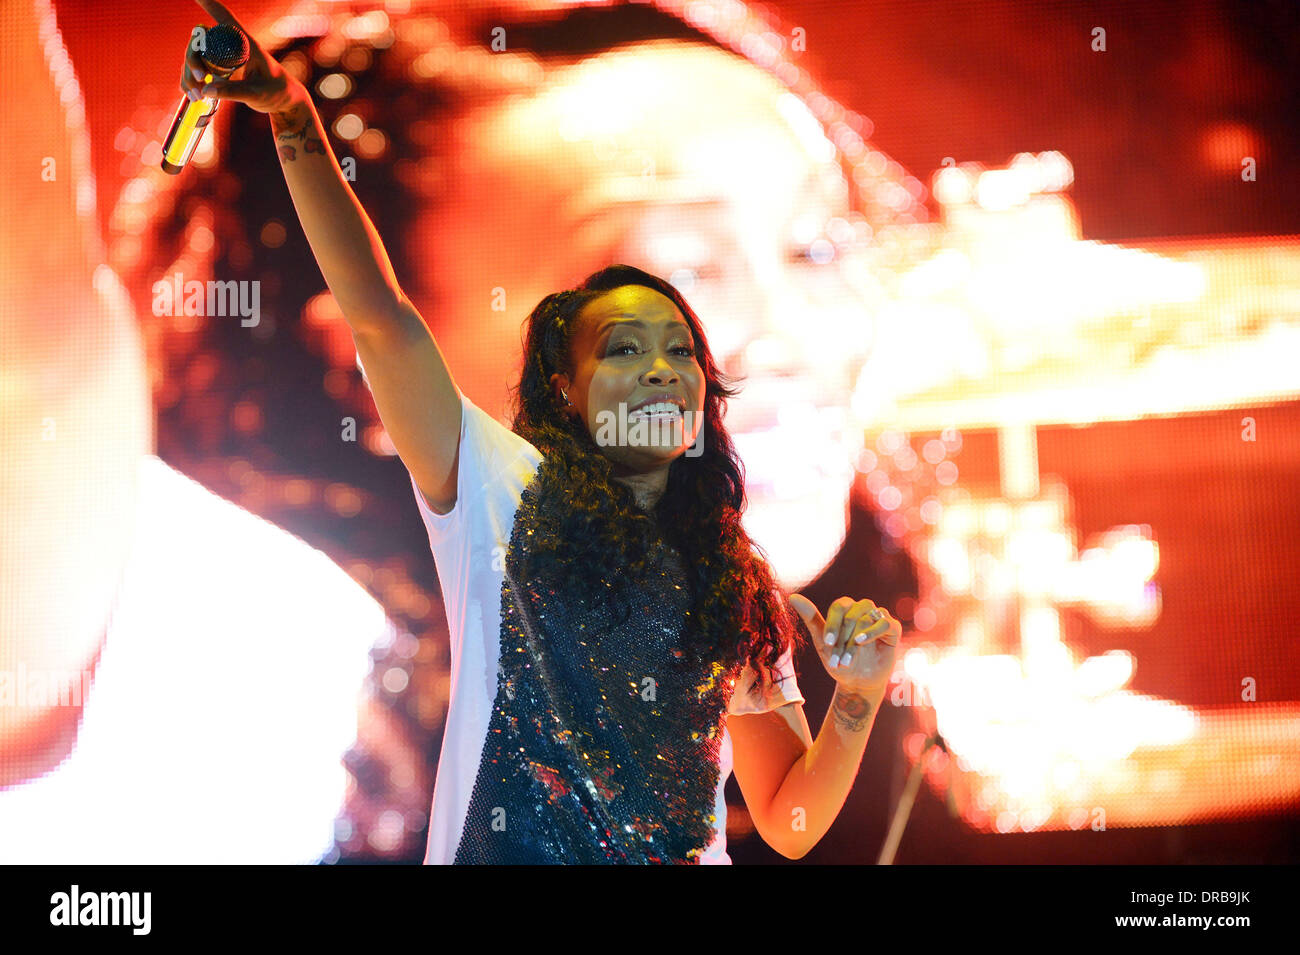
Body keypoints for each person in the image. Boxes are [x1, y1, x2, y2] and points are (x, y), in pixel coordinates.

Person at [183, 0, 904, 862]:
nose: (796, 340)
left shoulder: (736, 592)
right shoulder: (498, 516)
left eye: (818, 247)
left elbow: (789, 819)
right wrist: (291, 119)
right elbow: (377, 313)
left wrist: (856, 699)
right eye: (676, 268)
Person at [0, 0, 396, 864]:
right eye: (692, 261)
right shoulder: (273, 649)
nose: (757, 345)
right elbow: (28, 367)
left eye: (778, 243)